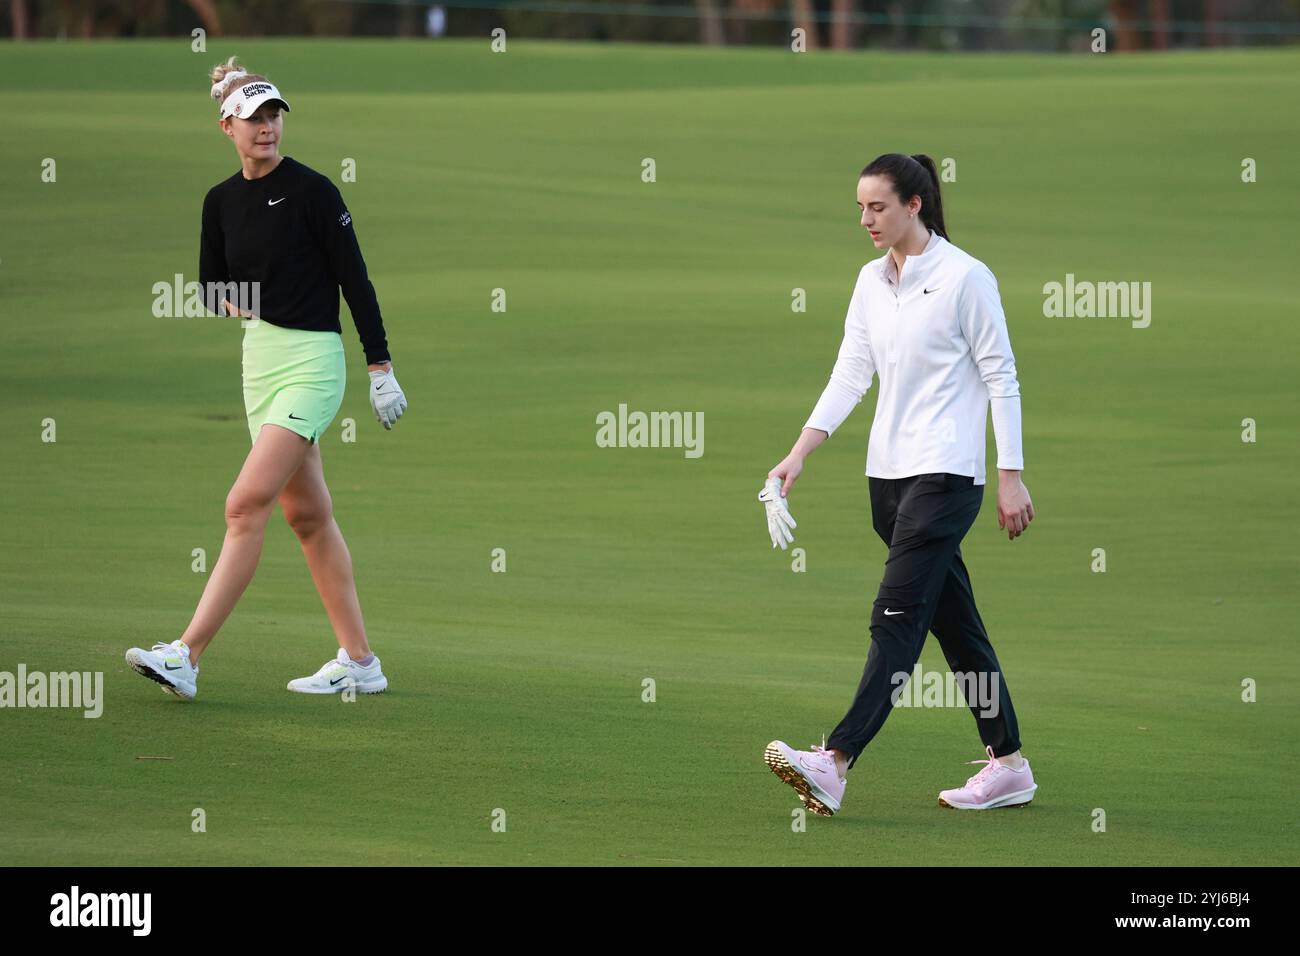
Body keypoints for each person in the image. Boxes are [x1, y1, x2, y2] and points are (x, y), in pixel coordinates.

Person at [760, 153, 1037, 815]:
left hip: (946, 476)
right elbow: (851, 373)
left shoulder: (966, 278)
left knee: (896, 619)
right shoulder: (870, 280)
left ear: (915, 204)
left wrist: (1011, 476)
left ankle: (835, 761)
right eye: (860, 207)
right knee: (958, 628)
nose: (866, 219)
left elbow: (1002, 376)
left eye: (878, 206)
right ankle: (1009, 765)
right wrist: (798, 453)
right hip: (887, 480)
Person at [125, 57, 407, 700]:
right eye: (254, 117)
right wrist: (240, 300)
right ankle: (361, 662)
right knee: (307, 516)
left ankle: (187, 655)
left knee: (244, 504)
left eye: (275, 115)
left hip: (312, 364)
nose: (268, 127)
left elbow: (355, 281)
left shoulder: (314, 192)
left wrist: (380, 367)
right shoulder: (220, 201)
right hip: (260, 365)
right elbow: (211, 285)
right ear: (228, 126)